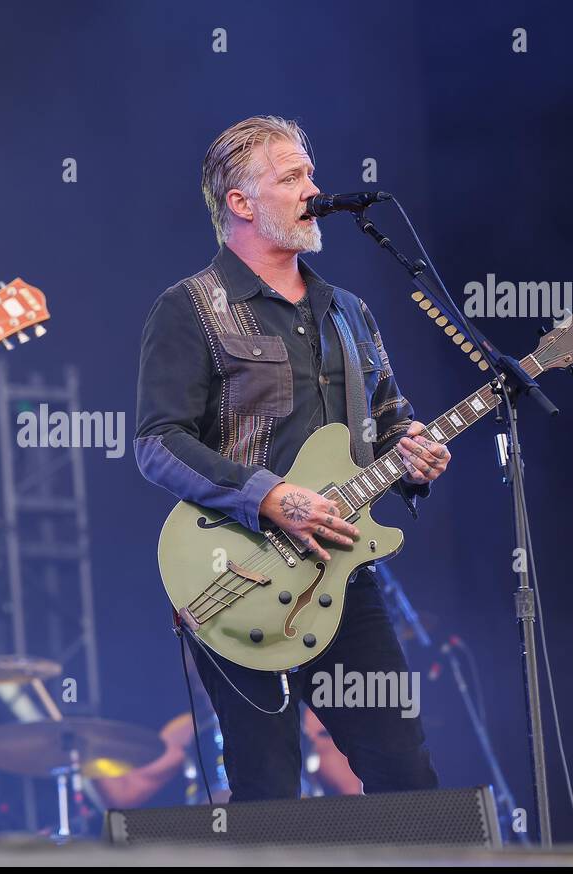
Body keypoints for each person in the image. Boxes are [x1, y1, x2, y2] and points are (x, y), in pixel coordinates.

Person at [134, 115, 447, 801]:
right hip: (236, 571)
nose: (313, 187)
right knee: (268, 788)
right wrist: (270, 495)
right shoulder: (190, 307)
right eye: (291, 176)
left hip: (342, 576)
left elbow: (389, 416)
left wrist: (415, 451)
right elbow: (157, 443)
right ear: (240, 203)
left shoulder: (348, 311)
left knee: (405, 771)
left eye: (309, 171)